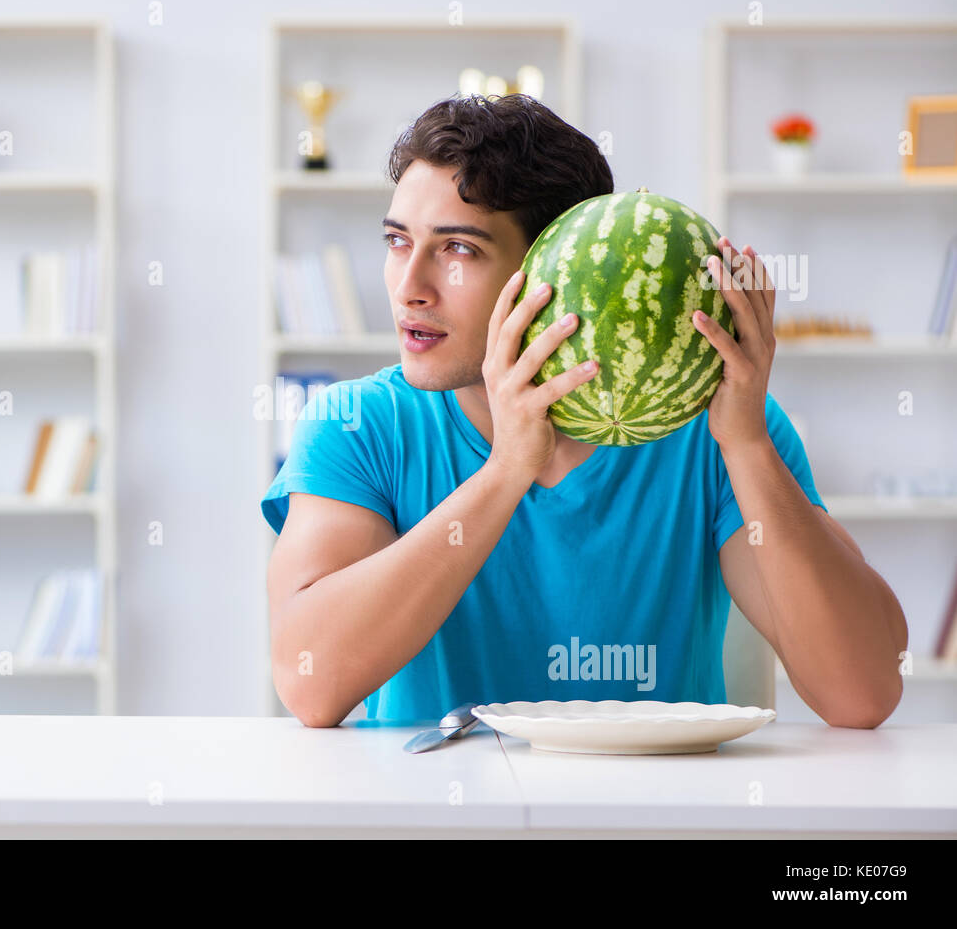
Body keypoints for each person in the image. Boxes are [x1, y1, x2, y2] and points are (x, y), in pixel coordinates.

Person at [261, 93, 906, 728]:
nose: (410, 288)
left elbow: (863, 694)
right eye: (398, 241)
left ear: (557, 269)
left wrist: (748, 447)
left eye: (459, 249)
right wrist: (506, 470)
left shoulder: (720, 431)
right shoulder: (359, 424)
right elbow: (309, 685)